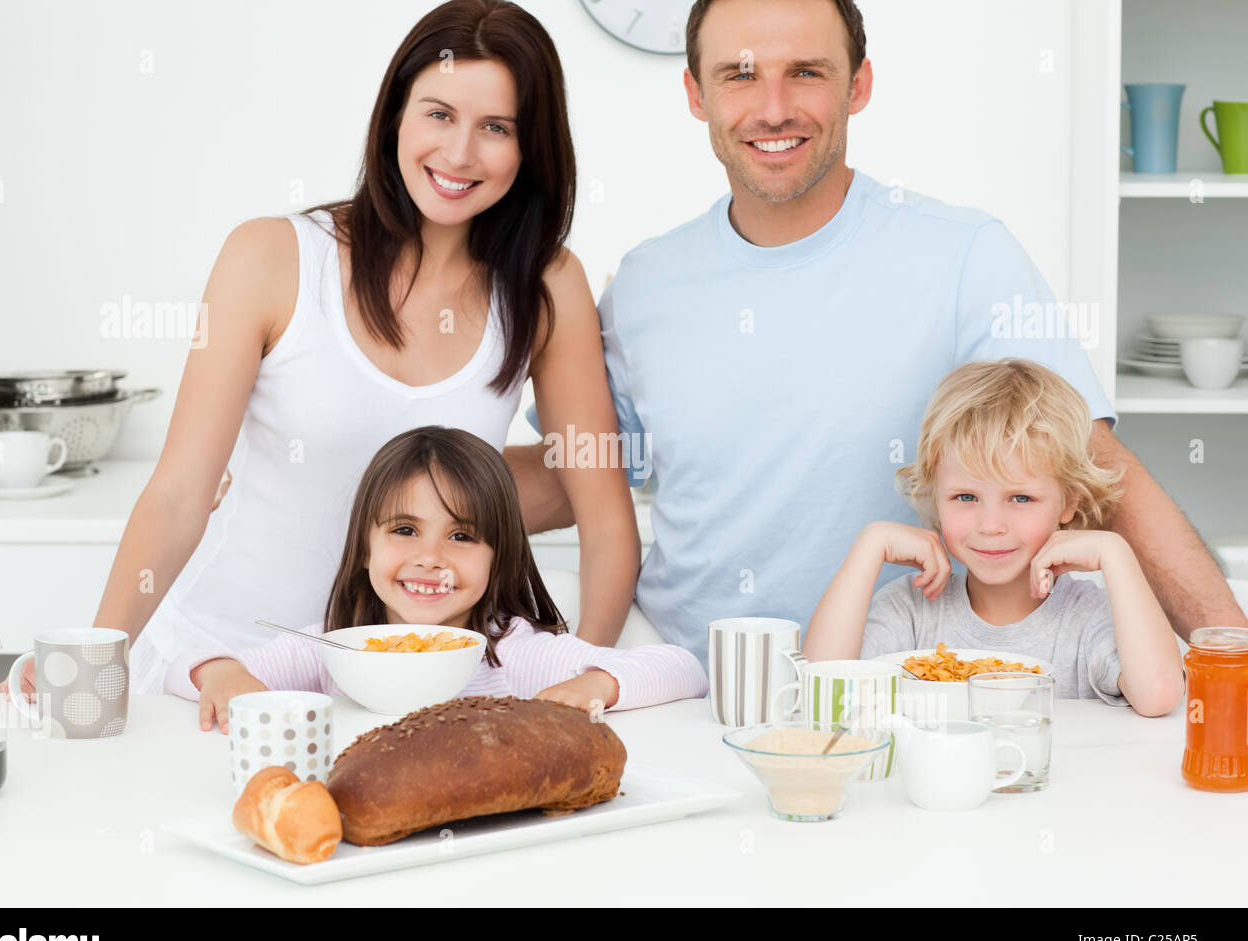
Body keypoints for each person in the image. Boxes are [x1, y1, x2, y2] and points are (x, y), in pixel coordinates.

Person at [509, 0, 1246, 668]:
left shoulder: (964, 257)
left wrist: (1234, 658)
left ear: (858, 85)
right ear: (696, 94)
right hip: (692, 693)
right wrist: (401, 491)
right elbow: (581, 471)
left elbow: (1098, 468)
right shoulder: (645, 283)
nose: (773, 107)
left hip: (903, 701)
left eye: (806, 72)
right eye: (738, 76)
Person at [82, 0, 639, 698]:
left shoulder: (547, 285)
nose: (460, 153)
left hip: (420, 684)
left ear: (532, 151)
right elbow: (178, 494)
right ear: (395, 117)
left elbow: (604, 515)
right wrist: (95, 663)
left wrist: (585, 678)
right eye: (438, 114)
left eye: (495, 127)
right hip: (230, 671)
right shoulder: (272, 257)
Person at [190, 427, 706, 733]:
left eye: (462, 537)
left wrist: (595, 683)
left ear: (497, 557)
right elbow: (186, 670)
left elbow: (683, 669)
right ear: (365, 547)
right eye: (405, 530)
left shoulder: (510, 653)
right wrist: (220, 674)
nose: (430, 558)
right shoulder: (332, 645)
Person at [804, 359, 1185, 716]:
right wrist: (868, 547)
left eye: (1020, 498)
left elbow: (1158, 694)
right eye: (965, 497)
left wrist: (1117, 553)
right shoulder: (912, 610)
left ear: (1069, 503)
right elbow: (821, 692)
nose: (990, 525)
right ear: (936, 500)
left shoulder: (1088, 617)